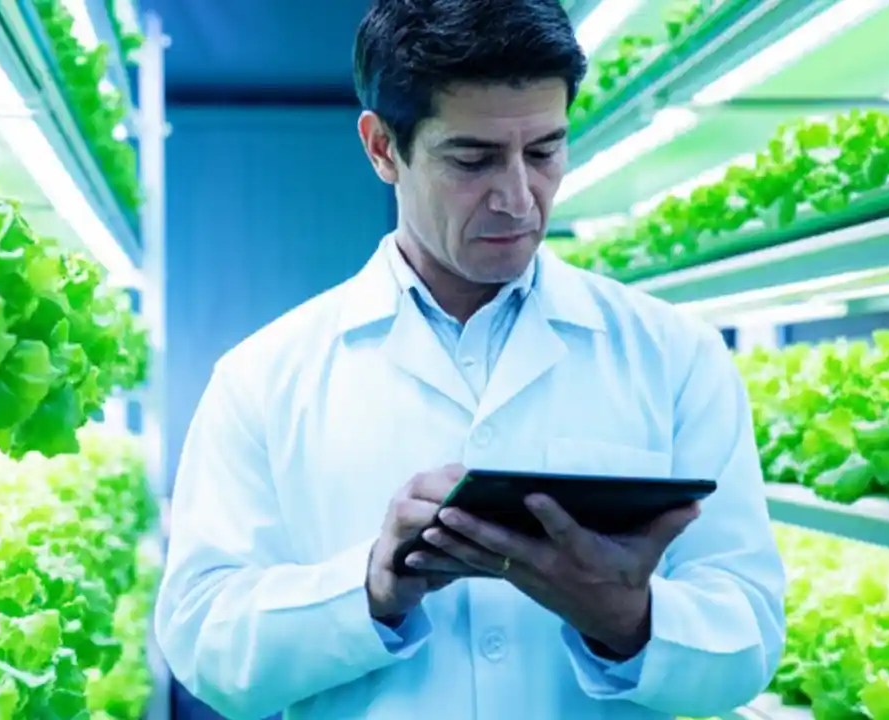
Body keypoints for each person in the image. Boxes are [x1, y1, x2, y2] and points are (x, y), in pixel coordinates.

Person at [153, 0, 787, 718]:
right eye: (474, 158)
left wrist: (625, 619)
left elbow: (752, 637)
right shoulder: (262, 378)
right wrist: (370, 587)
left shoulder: (677, 356)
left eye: (544, 151)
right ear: (383, 148)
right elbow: (205, 643)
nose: (519, 197)